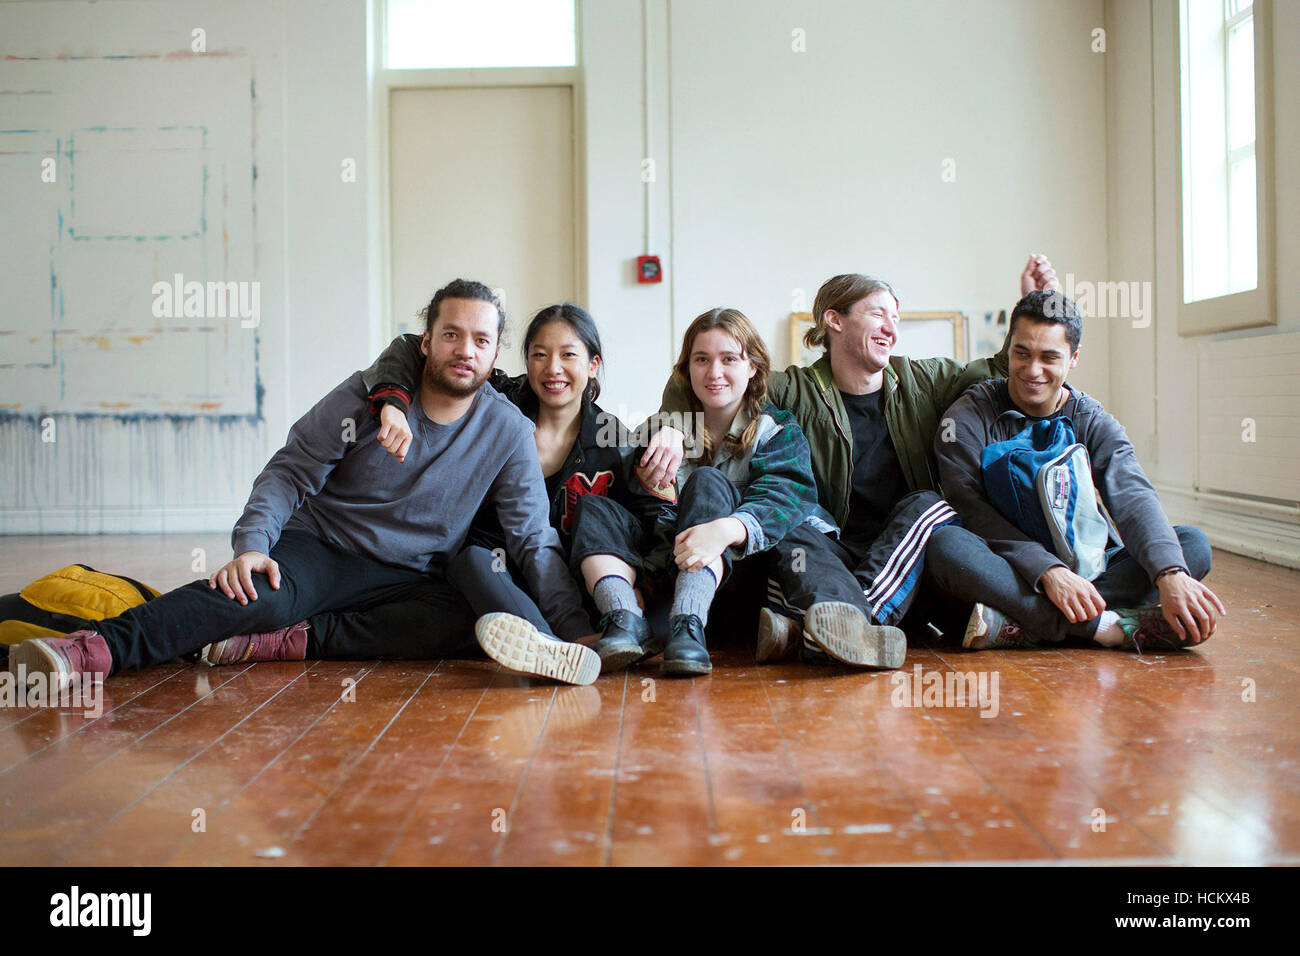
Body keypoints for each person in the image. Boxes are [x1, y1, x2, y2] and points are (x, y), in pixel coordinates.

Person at [10, 279, 600, 687]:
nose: (464, 350)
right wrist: (252, 547)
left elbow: (532, 538)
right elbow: (290, 470)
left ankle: (288, 640)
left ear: (497, 353)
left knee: (474, 621)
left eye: (480, 340)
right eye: (451, 334)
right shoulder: (367, 398)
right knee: (249, 596)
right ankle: (89, 652)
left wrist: (575, 631)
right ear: (426, 341)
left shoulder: (507, 430)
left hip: (412, 577)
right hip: (321, 548)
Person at [639, 257, 1061, 668]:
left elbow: (997, 373)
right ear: (834, 320)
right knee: (793, 521)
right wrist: (675, 424)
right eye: (879, 314)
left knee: (928, 502)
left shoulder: (923, 381)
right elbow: (715, 378)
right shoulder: (794, 388)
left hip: (907, 555)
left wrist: (1037, 306)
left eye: (895, 318)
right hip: (830, 549)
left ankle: (844, 625)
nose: (891, 328)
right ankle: (836, 627)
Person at [357, 302, 674, 674]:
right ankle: (558, 652)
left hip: (573, 591)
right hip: (493, 573)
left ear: (593, 365)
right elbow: (409, 347)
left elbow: (655, 524)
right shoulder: (499, 400)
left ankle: (568, 642)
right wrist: (392, 402)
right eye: (540, 355)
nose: (553, 368)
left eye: (568, 355)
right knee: (471, 563)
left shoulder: (614, 442)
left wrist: (640, 581)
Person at [925, 290, 1224, 651]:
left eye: (1049, 357)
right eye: (1021, 353)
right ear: (1008, 351)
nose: (1032, 370)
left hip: (1092, 567)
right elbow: (969, 509)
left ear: (1074, 358)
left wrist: (1169, 573)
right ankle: (1106, 627)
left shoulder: (1091, 418)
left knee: (1191, 545)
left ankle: (1024, 624)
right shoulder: (967, 416)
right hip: (1010, 569)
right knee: (945, 545)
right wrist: (1048, 571)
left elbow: (1132, 494)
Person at [623, 307, 840, 676]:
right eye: (702, 360)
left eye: (729, 359)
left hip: (753, 575)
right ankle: (667, 625)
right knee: (645, 633)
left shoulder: (778, 430)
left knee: (707, 482)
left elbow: (787, 495)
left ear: (752, 367)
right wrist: (641, 580)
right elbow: (640, 515)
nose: (714, 373)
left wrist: (724, 530)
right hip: (680, 575)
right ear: (686, 369)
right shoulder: (661, 435)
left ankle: (795, 628)